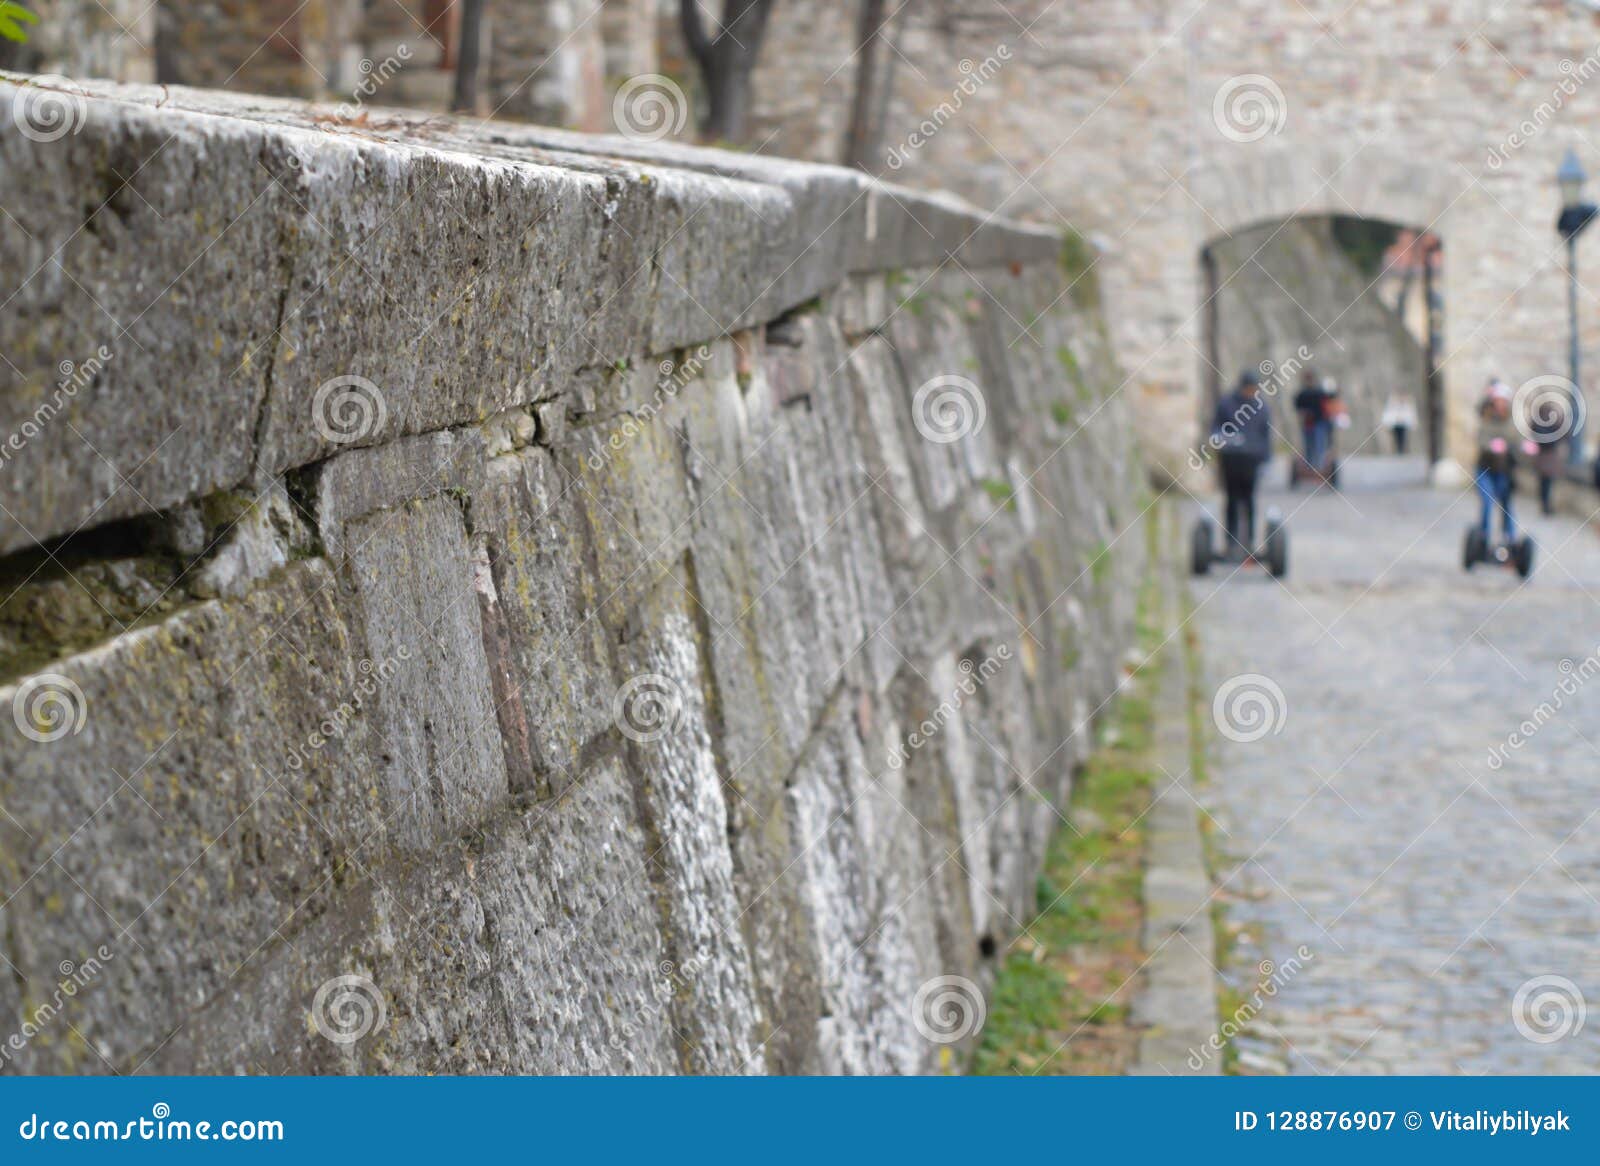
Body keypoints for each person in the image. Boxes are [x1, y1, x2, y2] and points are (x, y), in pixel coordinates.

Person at [1211, 369, 1274, 558]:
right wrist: (1222, 438)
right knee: (1231, 499)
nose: (1251, 393)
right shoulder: (1227, 403)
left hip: (1251, 461)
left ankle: (1250, 542)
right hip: (1230, 459)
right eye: (1249, 389)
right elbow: (1216, 427)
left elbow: (1265, 435)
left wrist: (1266, 460)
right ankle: (1230, 542)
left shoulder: (1261, 408)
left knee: (1249, 500)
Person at [1476, 382, 1524, 545]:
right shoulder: (1486, 419)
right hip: (1485, 469)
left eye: (1502, 400)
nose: (1500, 404)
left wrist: (1523, 447)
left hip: (1504, 471)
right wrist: (1491, 446)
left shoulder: (1511, 423)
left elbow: (1517, 442)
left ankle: (1510, 539)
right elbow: (1482, 440)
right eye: (1497, 400)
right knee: (1487, 503)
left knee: (1507, 505)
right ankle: (1483, 537)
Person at [1293, 370, 1332, 475]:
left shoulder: (1320, 393)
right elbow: (1298, 408)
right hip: (1307, 424)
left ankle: (1320, 467)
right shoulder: (1302, 394)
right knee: (1308, 446)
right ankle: (1309, 467)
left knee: (1319, 445)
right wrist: (1304, 413)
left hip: (1319, 424)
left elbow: (1327, 407)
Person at [1381, 390, 1419, 454]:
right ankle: (1397, 450)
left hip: (1404, 425)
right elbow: (1388, 414)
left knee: (1403, 438)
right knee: (1396, 438)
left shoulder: (1407, 404)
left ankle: (1402, 451)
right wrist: (1386, 423)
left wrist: (1413, 424)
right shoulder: (1392, 404)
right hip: (1395, 424)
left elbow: (1411, 415)